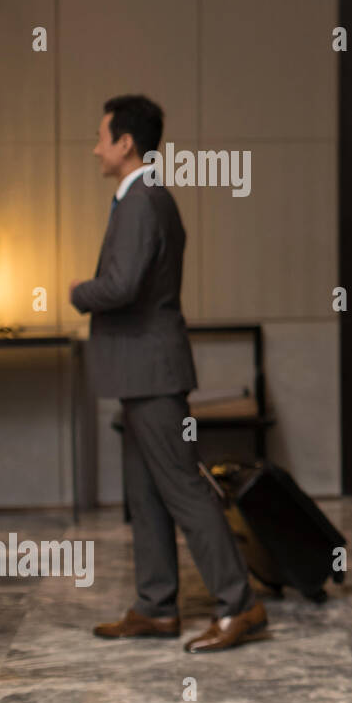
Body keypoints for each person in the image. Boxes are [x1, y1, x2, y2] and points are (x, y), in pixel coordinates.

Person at [73, 95, 266, 653]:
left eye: (102, 138)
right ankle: (156, 607)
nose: (96, 149)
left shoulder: (143, 200)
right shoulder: (142, 198)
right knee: (146, 493)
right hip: (140, 373)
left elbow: (122, 286)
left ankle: (240, 605)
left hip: (151, 373)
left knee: (183, 488)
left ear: (125, 142)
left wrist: (77, 292)